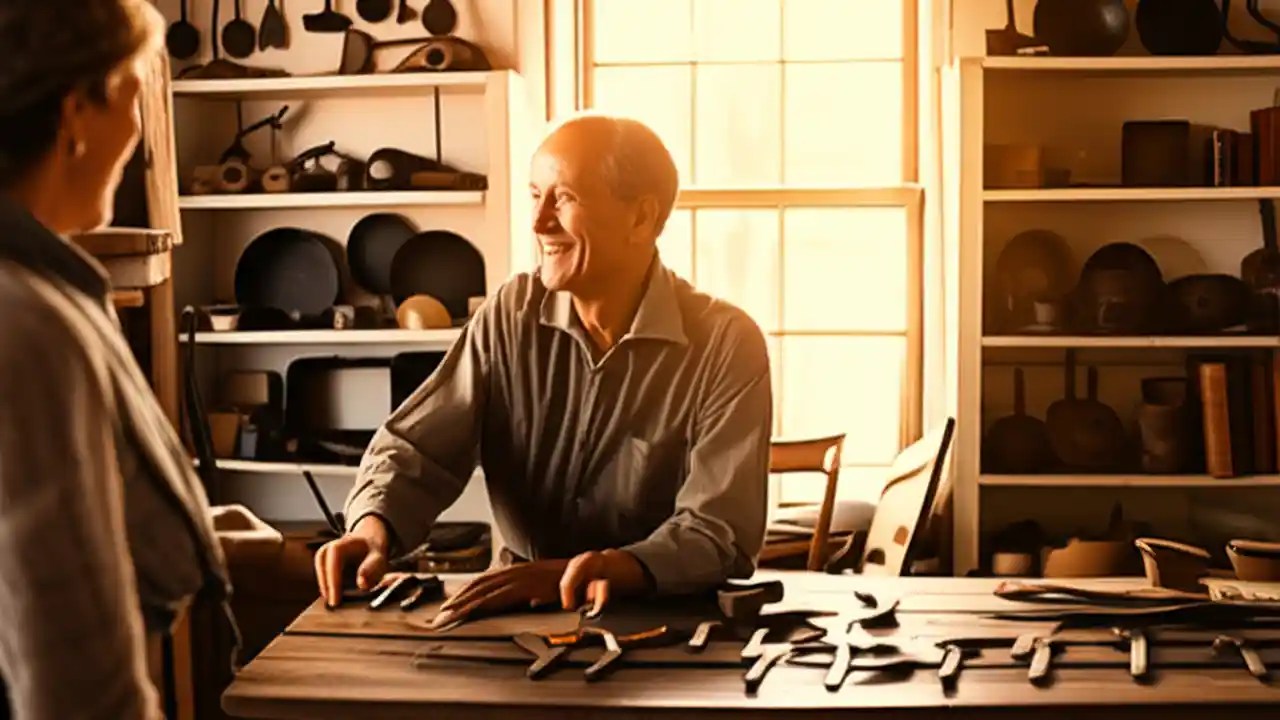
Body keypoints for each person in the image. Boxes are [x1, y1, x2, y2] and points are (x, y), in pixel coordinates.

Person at [315, 114, 773, 626]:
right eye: (536, 195)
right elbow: (418, 447)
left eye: (566, 198)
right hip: (513, 613)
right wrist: (371, 528)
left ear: (641, 219)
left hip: (666, 625)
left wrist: (604, 570)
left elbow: (718, 530)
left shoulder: (727, 343)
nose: (538, 223)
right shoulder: (511, 314)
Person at [0, 1, 235, 717]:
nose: (137, 133)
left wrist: (198, 529)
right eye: (134, 97)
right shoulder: (29, 328)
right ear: (75, 111)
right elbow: (79, 688)